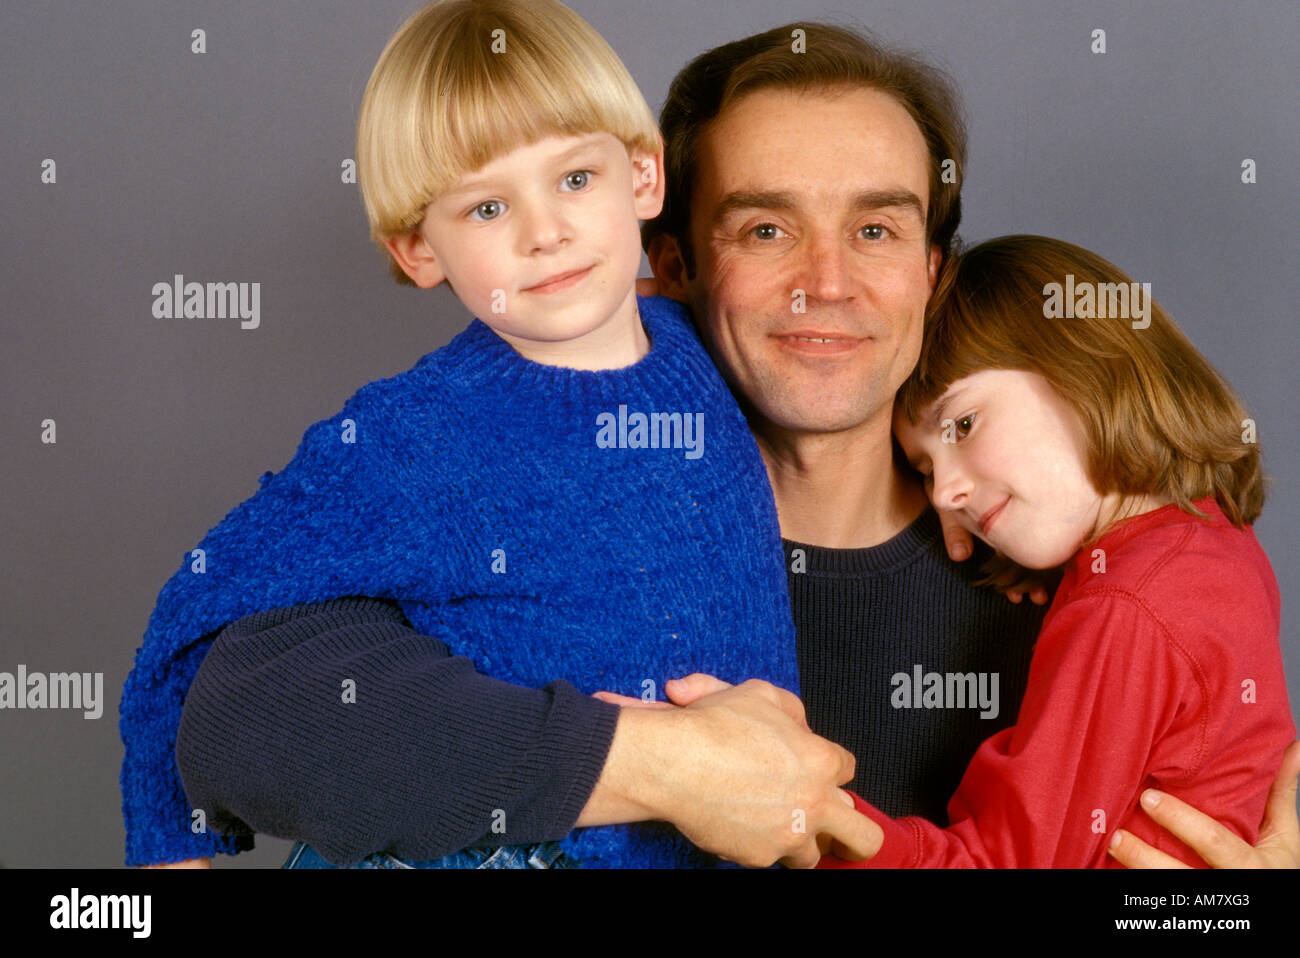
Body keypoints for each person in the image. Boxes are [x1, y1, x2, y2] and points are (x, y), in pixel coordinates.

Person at [130, 18, 1300, 869]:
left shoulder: (1050, 562)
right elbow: (237, 715)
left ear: (933, 274)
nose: (827, 284)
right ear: (666, 263)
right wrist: (661, 763)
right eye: (765, 226)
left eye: (878, 226)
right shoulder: (514, 488)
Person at [120, 0, 809, 870]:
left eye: (574, 179)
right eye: (486, 209)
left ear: (642, 177)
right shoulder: (415, 436)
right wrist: (166, 845)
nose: (544, 232)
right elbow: (196, 610)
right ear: (418, 250)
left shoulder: (698, 343)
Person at [809, 234, 1295, 867]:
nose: (947, 491)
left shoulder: (1122, 609)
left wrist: (819, 817)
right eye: (926, 470)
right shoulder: (1212, 537)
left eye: (963, 424)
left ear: (1086, 366)